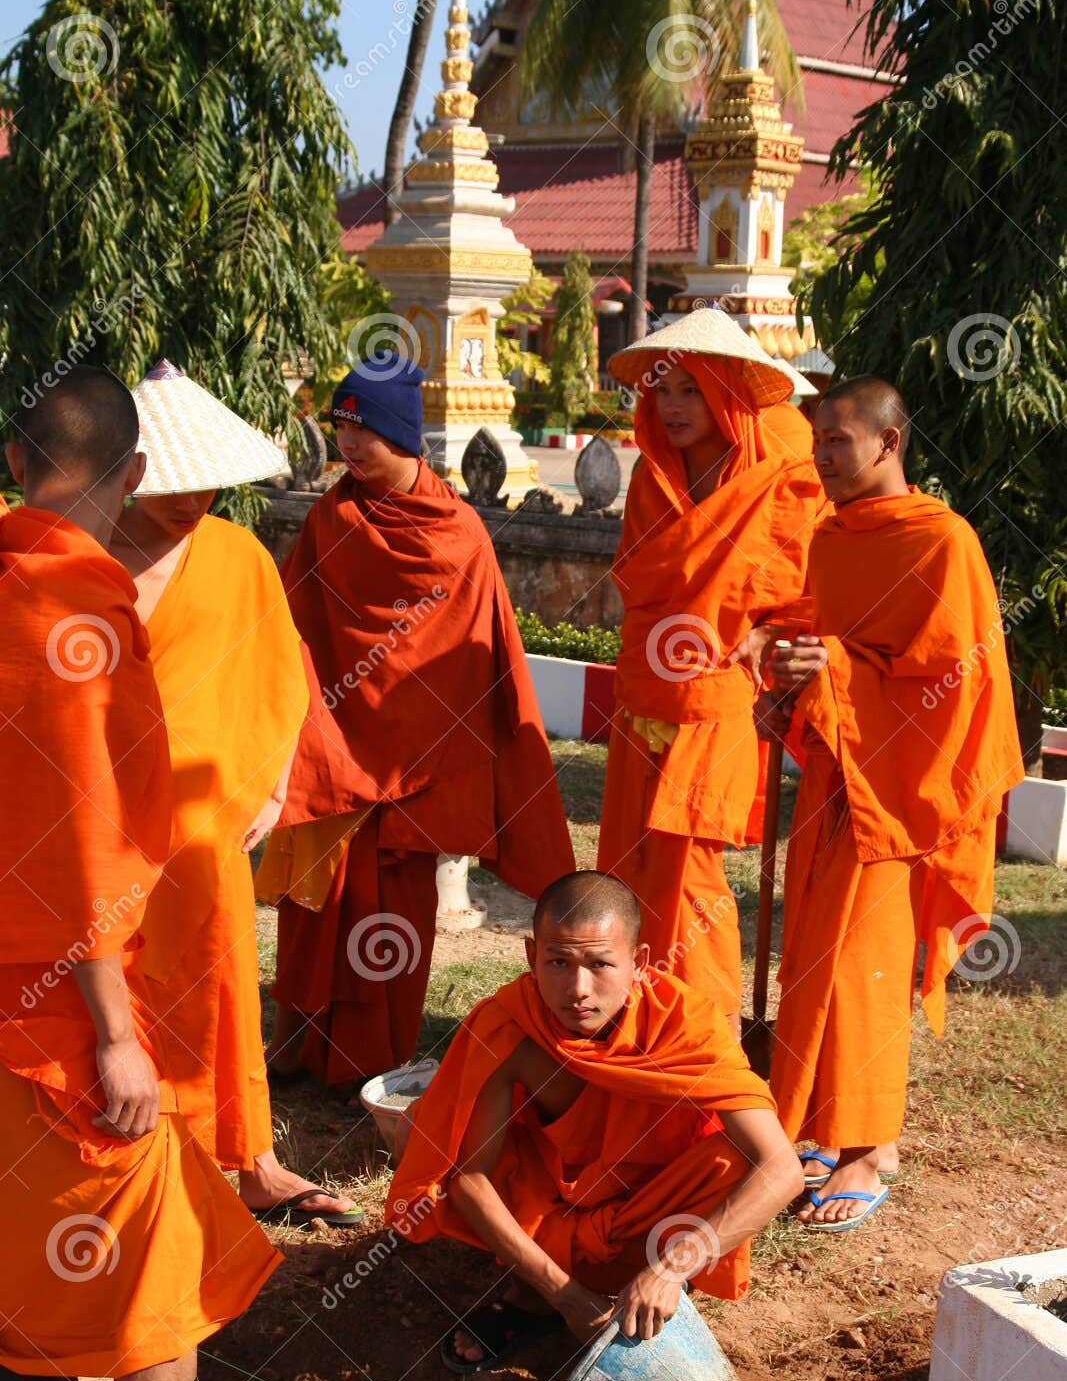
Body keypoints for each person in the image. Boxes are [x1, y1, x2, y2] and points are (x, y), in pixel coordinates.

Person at [0, 367, 337, 1381]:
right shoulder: (71, 613)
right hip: (56, 997)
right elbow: (80, 841)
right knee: (147, 1238)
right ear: (133, 472)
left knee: (23, 1221)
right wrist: (113, 1030)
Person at [258, 352, 574, 1086]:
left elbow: (473, 659)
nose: (346, 444)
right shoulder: (330, 519)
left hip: (416, 768)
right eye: (338, 428)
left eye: (359, 430)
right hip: (332, 751)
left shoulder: (456, 532)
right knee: (314, 910)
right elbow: (292, 632)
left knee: (389, 919)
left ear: (401, 434)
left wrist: (416, 756)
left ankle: (370, 1062)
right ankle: (298, 1044)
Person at [762, 376, 1024, 1230]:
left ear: (888, 441)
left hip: (903, 784)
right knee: (812, 947)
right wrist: (789, 691)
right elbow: (831, 644)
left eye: (838, 441)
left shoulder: (940, 541)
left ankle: (872, 1144)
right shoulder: (833, 538)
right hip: (840, 776)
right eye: (816, 443)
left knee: (864, 963)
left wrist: (832, 669)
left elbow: (952, 681)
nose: (823, 458)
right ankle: (817, 1120)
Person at [110, 359, 359, 1225]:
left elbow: (277, 676)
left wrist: (271, 782)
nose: (194, 500)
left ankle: (253, 1159)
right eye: (175, 482)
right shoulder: (83, 549)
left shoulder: (236, 553)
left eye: (209, 482)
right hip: (99, 812)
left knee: (215, 979)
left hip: (207, 811)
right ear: (127, 469)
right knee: (108, 983)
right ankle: (134, 1148)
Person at [386, 870, 803, 1370]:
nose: (577, 990)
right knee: (424, 1136)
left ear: (639, 963)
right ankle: (532, 1296)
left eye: (600, 964)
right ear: (529, 956)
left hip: (646, 1221)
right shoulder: (509, 1025)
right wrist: (563, 1294)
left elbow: (782, 1167)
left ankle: (642, 1288)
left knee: (732, 1157)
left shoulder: (684, 1026)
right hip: (546, 1210)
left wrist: (673, 1267)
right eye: (557, 962)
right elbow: (471, 1177)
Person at [596, 308, 826, 1036]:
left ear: (727, 390)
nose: (670, 406)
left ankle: (703, 1030)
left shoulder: (783, 477)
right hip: (643, 692)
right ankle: (636, 1018)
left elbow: (811, 591)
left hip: (722, 699)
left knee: (690, 876)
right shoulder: (650, 476)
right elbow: (638, 584)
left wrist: (768, 636)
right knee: (630, 870)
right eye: (662, 389)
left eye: (690, 390)